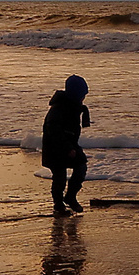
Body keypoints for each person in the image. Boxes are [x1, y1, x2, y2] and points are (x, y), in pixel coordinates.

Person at [42, 74, 91, 214]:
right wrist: (67, 148)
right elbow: (53, 130)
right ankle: (58, 205)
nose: (83, 98)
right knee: (59, 177)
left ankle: (70, 197)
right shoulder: (58, 109)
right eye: (82, 94)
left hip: (69, 144)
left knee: (81, 166)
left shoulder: (74, 106)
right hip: (55, 148)